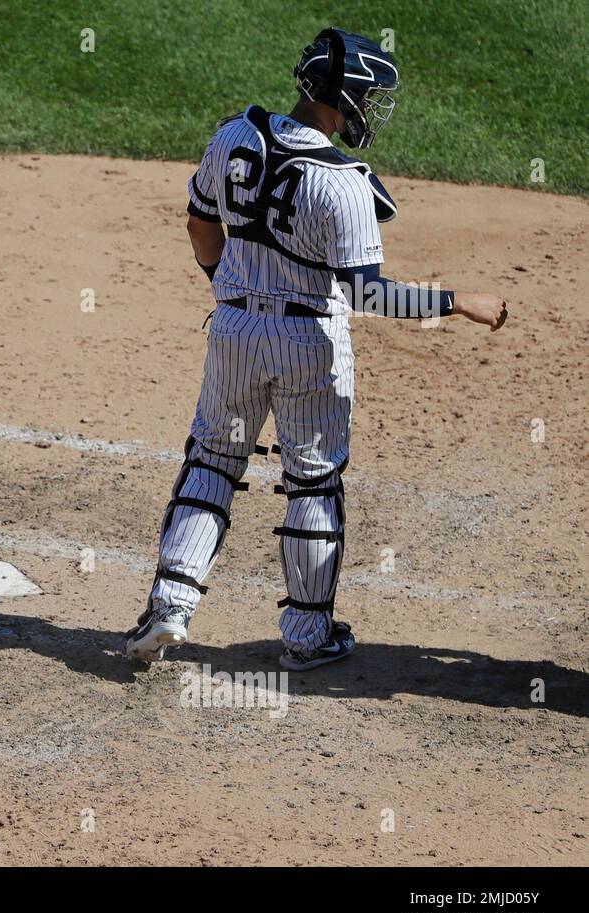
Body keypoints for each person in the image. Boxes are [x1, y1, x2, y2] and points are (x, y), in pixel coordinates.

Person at [125, 29, 508, 671]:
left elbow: (198, 222)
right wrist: (457, 300)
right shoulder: (345, 185)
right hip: (309, 345)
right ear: (343, 97)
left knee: (213, 461)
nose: (372, 107)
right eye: (367, 95)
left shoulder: (235, 135)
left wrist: (227, 283)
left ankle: (170, 606)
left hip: (234, 334)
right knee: (312, 479)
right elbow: (372, 296)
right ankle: (306, 637)